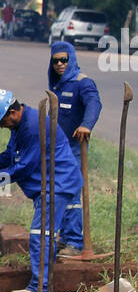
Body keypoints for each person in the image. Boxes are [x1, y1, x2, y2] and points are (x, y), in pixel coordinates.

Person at [0, 89, 82, 292]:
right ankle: (51, 270)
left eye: (2, 121)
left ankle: (39, 289)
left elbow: (25, 167)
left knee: (40, 236)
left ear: (12, 112)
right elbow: (11, 155)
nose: (2, 126)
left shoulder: (33, 127)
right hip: (53, 182)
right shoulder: (22, 123)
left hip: (57, 183)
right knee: (46, 234)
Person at [47, 40, 101, 255]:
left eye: (64, 60)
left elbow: (94, 104)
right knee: (59, 192)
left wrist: (86, 125)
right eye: (55, 61)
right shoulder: (57, 85)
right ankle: (64, 237)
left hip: (75, 148)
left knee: (71, 194)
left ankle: (75, 243)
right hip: (58, 149)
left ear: (72, 59)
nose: (60, 64)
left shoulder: (83, 83)